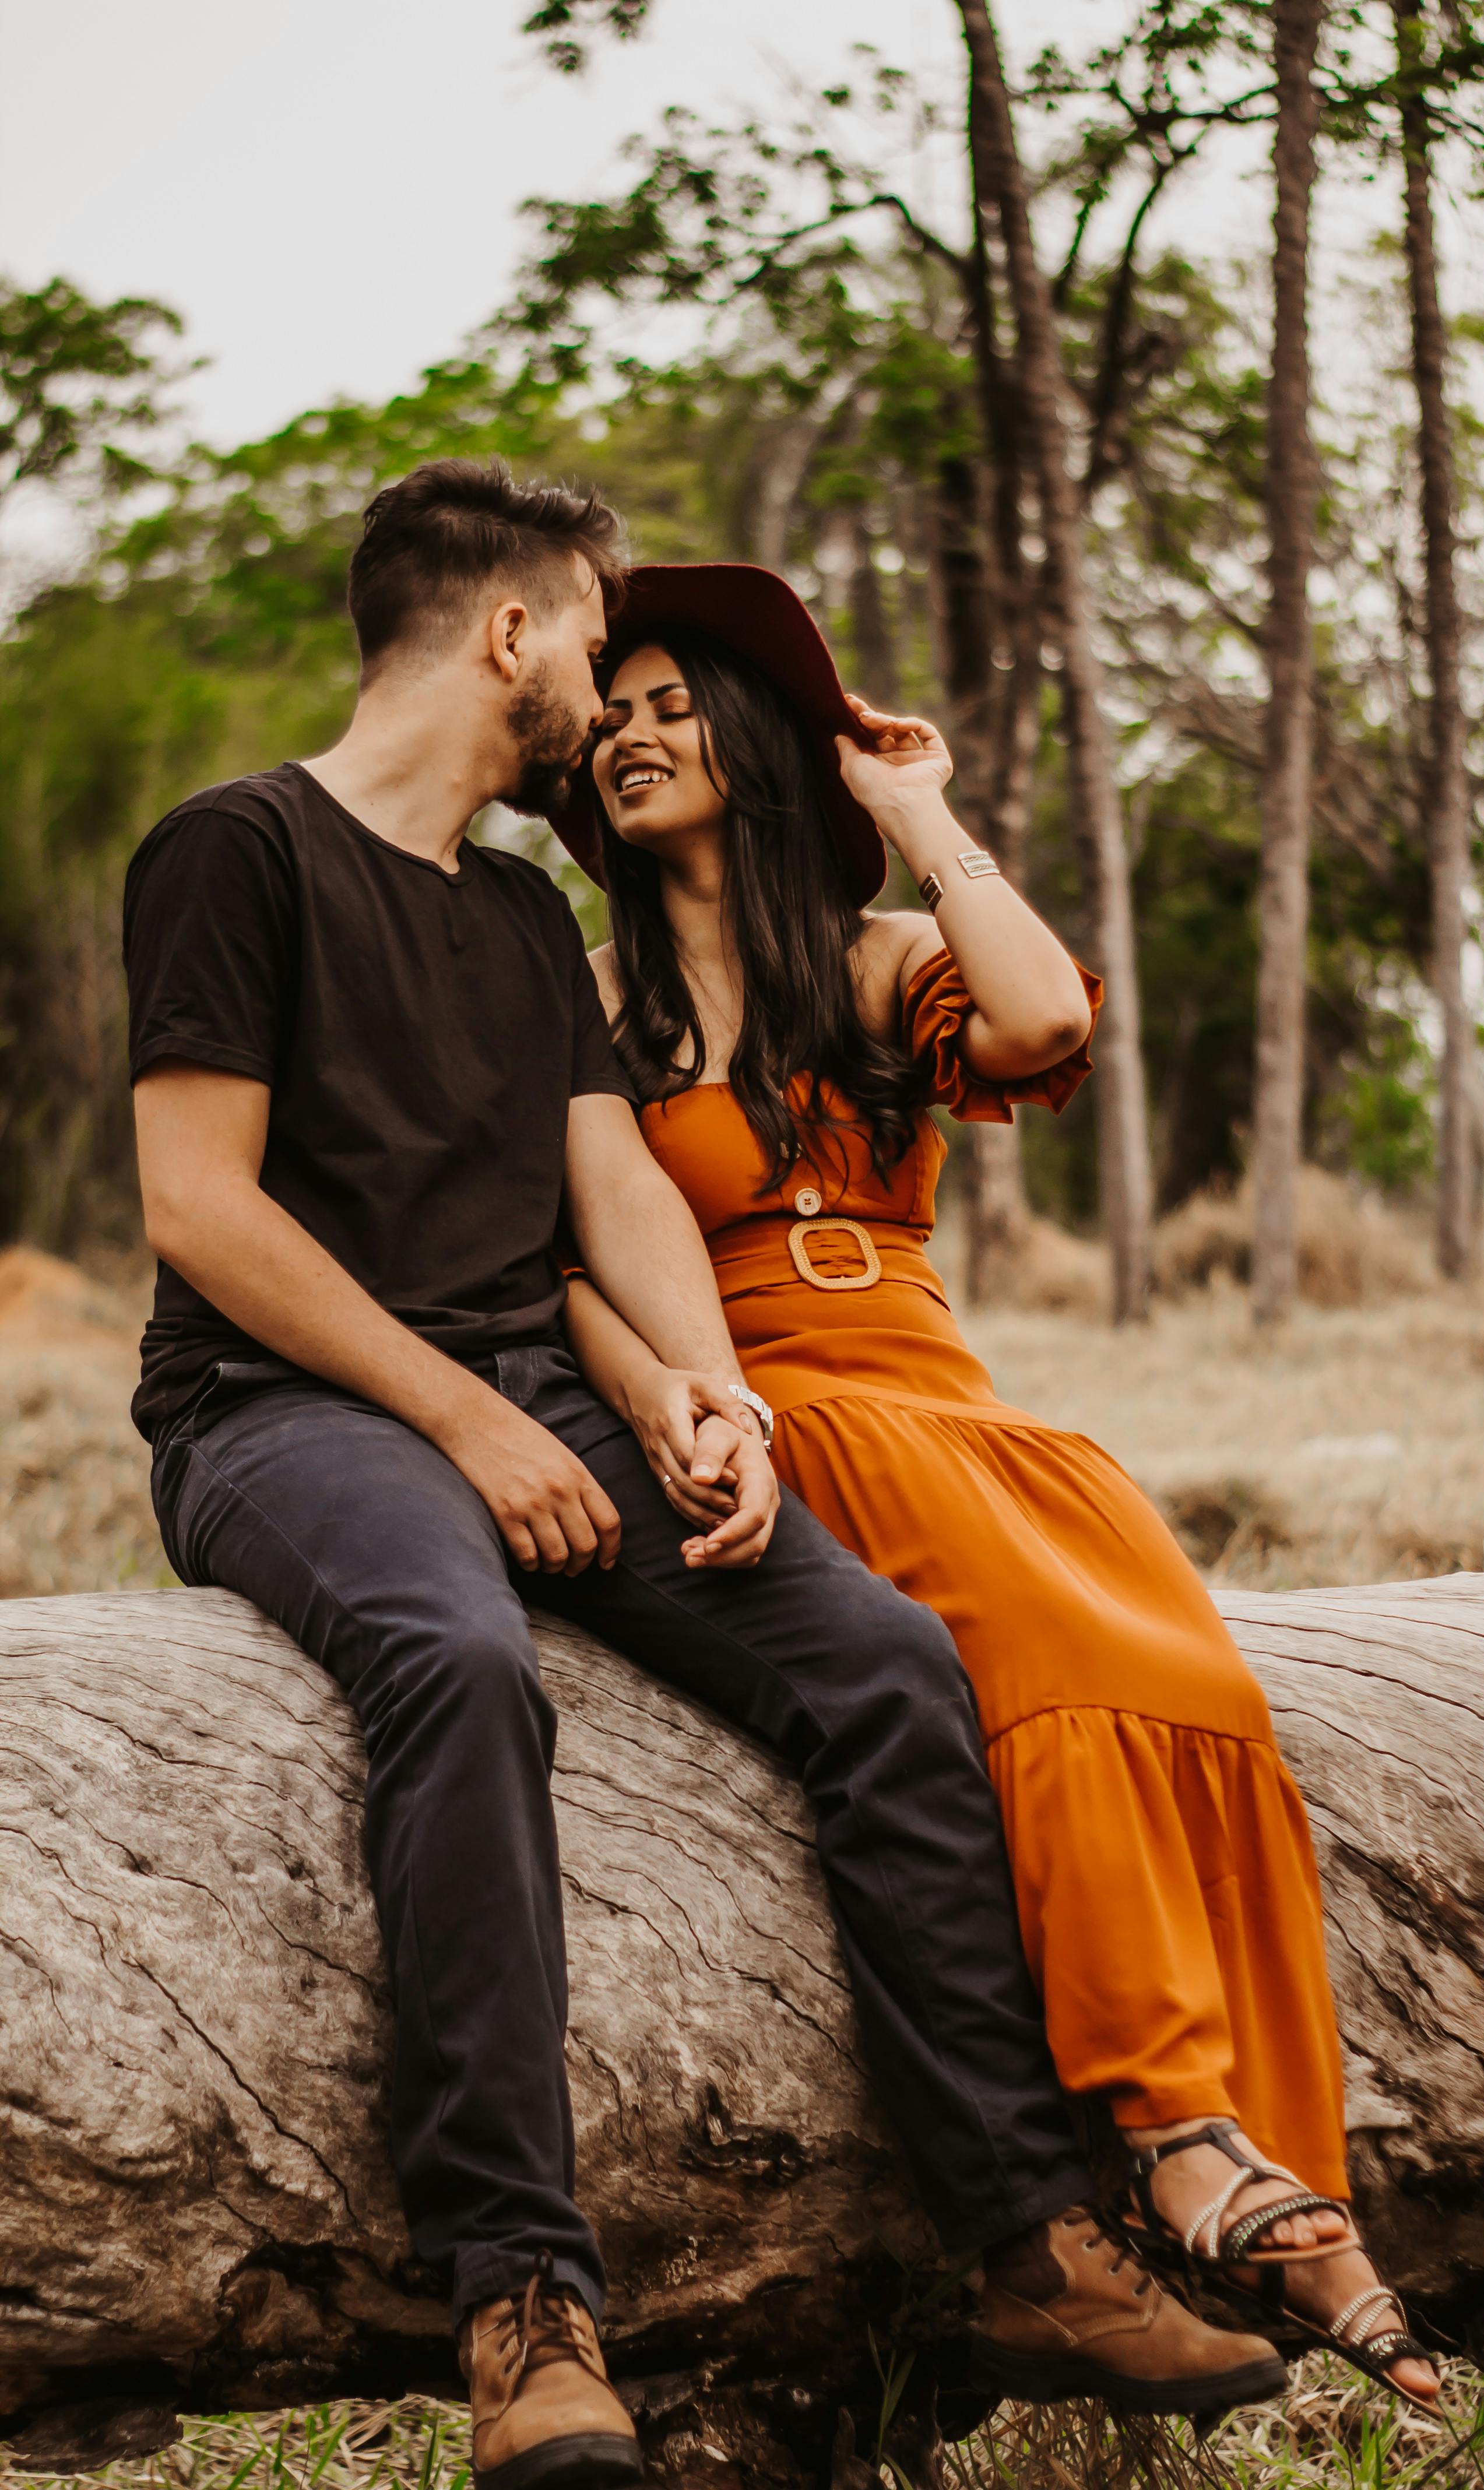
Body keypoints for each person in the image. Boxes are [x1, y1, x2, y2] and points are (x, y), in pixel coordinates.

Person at [122, 460, 1292, 2490]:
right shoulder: (240, 850)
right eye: (589, 632)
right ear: (511, 632)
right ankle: (523, 2302)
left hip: (542, 1385)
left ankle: (1027, 2234)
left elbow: (613, 1188)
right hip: (278, 1407)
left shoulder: (519, 909)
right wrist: (472, 1424)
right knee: (460, 1663)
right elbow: (202, 1213)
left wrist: (705, 1396)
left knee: (885, 1663)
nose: (602, 677)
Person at [551, 561, 1440, 2417]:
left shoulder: (873, 959)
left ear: (755, 737)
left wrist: (916, 803)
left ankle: (1290, 2175)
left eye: (667, 700)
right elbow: (551, 1256)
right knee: (1035, 1668)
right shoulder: (593, 1012)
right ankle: (1178, 2128)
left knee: (1203, 1689)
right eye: (606, 714)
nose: (632, 732)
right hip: (780, 1404)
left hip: (963, 1405)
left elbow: (1040, 1027)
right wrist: (684, 1402)